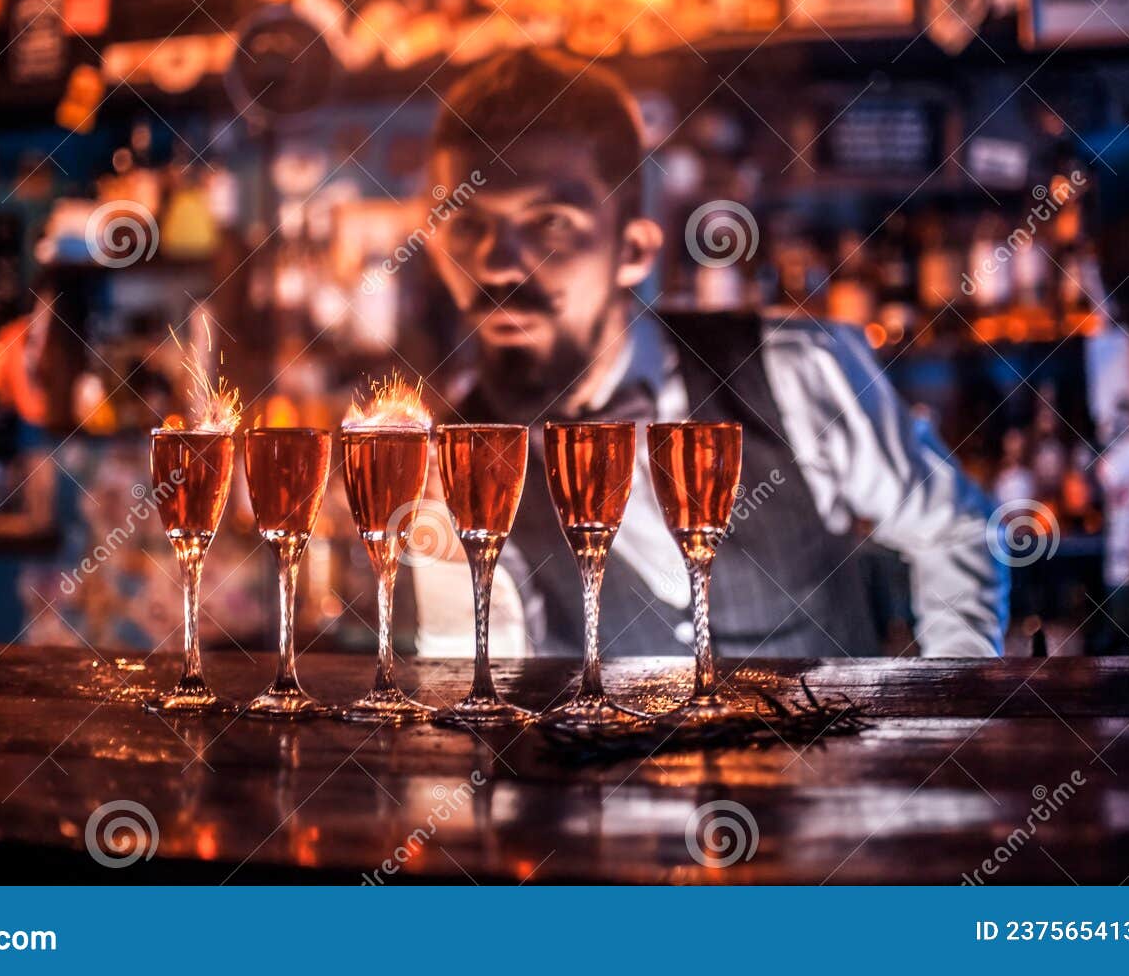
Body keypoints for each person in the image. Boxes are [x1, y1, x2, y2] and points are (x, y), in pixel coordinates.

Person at [413, 49, 1007, 660]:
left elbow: (956, 533)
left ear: (634, 250)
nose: (495, 263)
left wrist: (947, 719)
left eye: (549, 223)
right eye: (465, 224)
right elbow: (480, 687)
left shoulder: (792, 369)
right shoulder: (453, 466)